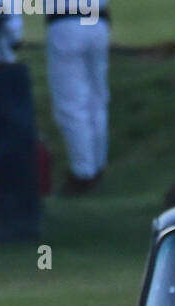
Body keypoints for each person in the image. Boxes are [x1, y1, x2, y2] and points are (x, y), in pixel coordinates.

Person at [45, 0, 111, 195]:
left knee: (71, 105)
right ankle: (98, 164)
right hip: (98, 20)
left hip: (65, 22)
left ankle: (84, 172)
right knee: (97, 100)